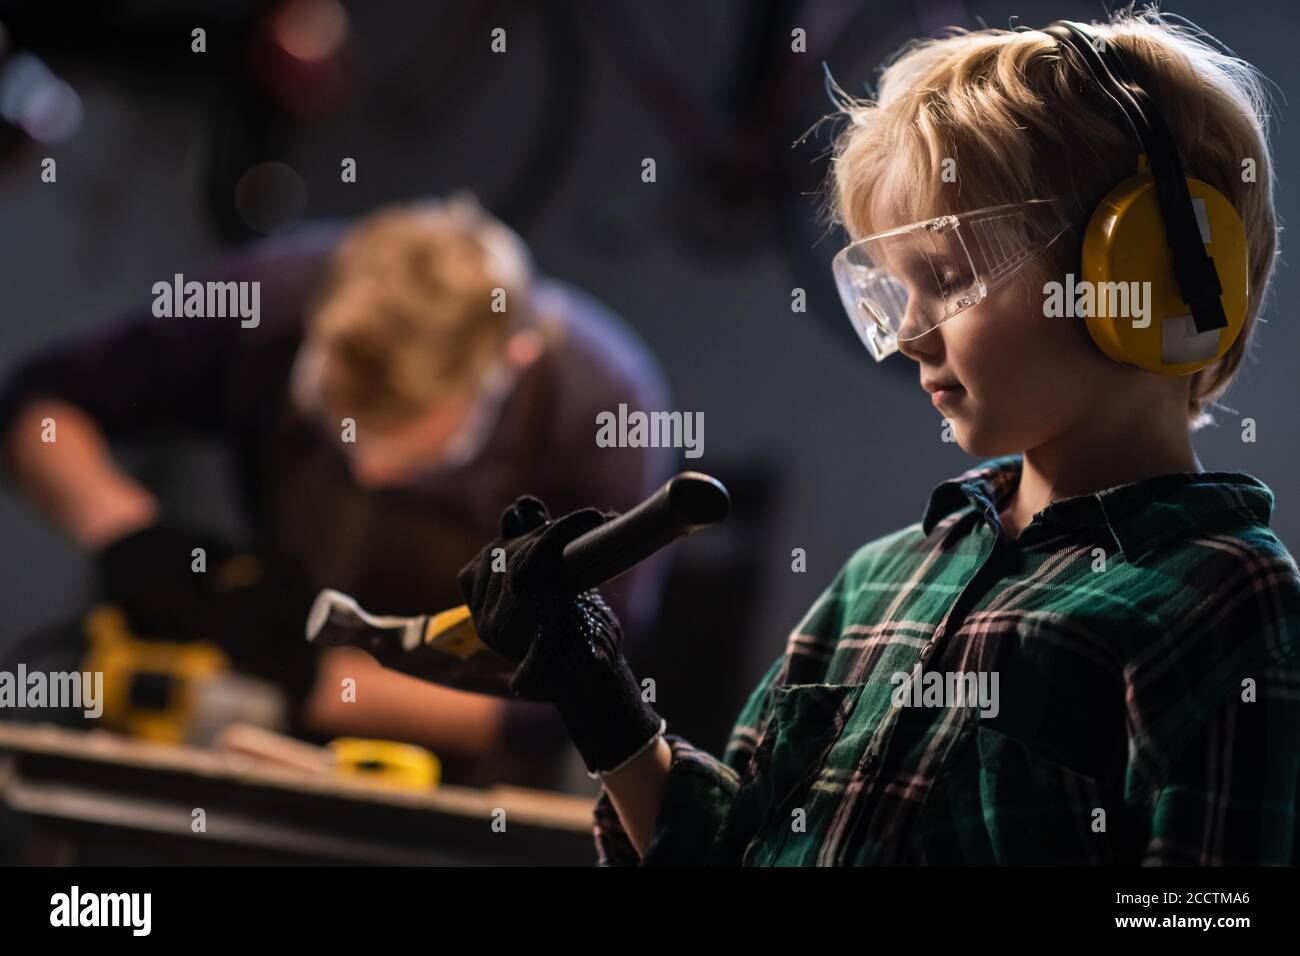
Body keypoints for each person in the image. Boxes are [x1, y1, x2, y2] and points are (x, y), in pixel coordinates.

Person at [456, 13, 1300, 863]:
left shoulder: (1225, 600)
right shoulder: (880, 580)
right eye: (894, 288)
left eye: (948, 277)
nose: (904, 335)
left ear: (1149, 273)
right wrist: (600, 698)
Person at [0, 195, 674, 789]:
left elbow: (573, 699)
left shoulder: (603, 414)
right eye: (338, 425)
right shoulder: (270, 294)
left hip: (467, 782)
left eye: (417, 449)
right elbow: (40, 411)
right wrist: (126, 533)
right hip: (257, 727)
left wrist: (318, 682)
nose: (368, 474)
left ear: (511, 362)